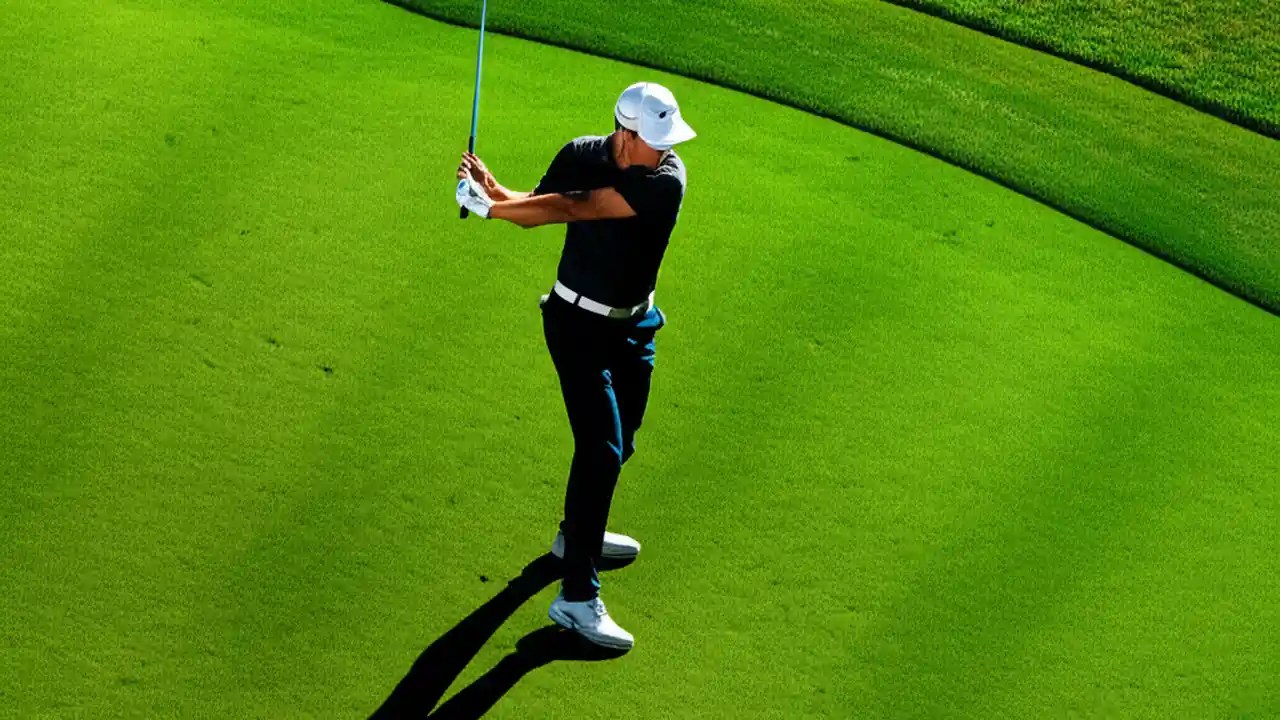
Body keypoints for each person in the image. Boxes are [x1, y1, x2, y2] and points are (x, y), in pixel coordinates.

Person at [454, 82, 695, 649]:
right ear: (625, 132)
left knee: (622, 441)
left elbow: (575, 207)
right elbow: (539, 202)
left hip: (635, 327)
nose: (666, 149)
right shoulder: (580, 155)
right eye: (654, 140)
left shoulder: (667, 180)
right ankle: (578, 599)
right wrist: (491, 189)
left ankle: (575, 536)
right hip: (577, 325)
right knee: (601, 449)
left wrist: (488, 208)